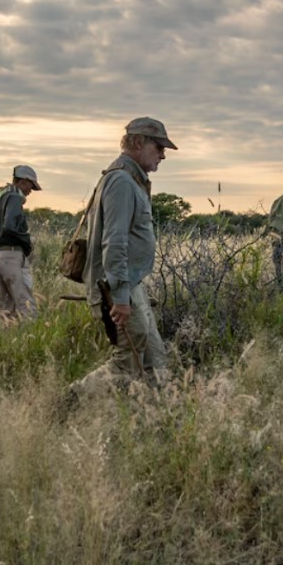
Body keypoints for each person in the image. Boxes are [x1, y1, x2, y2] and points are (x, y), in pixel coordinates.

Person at [79, 117, 177, 388]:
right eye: (159, 148)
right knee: (126, 365)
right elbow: (115, 241)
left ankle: (158, 418)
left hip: (131, 285)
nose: (162, 155)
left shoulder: (130, 179)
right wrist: (121, 297)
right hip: (119, 288)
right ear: (137, 142)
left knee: (155, 360)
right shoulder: (121, 181)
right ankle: (67, 403)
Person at [0, 164, 41, 326]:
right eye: (31, 185)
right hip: (11, 256)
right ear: (23, 181)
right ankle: (31, 343)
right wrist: (26, 241)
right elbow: (10, 226)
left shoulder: (0, 197)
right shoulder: (15, 198)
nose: (31, 190)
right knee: (27, 306)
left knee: (6, 309)